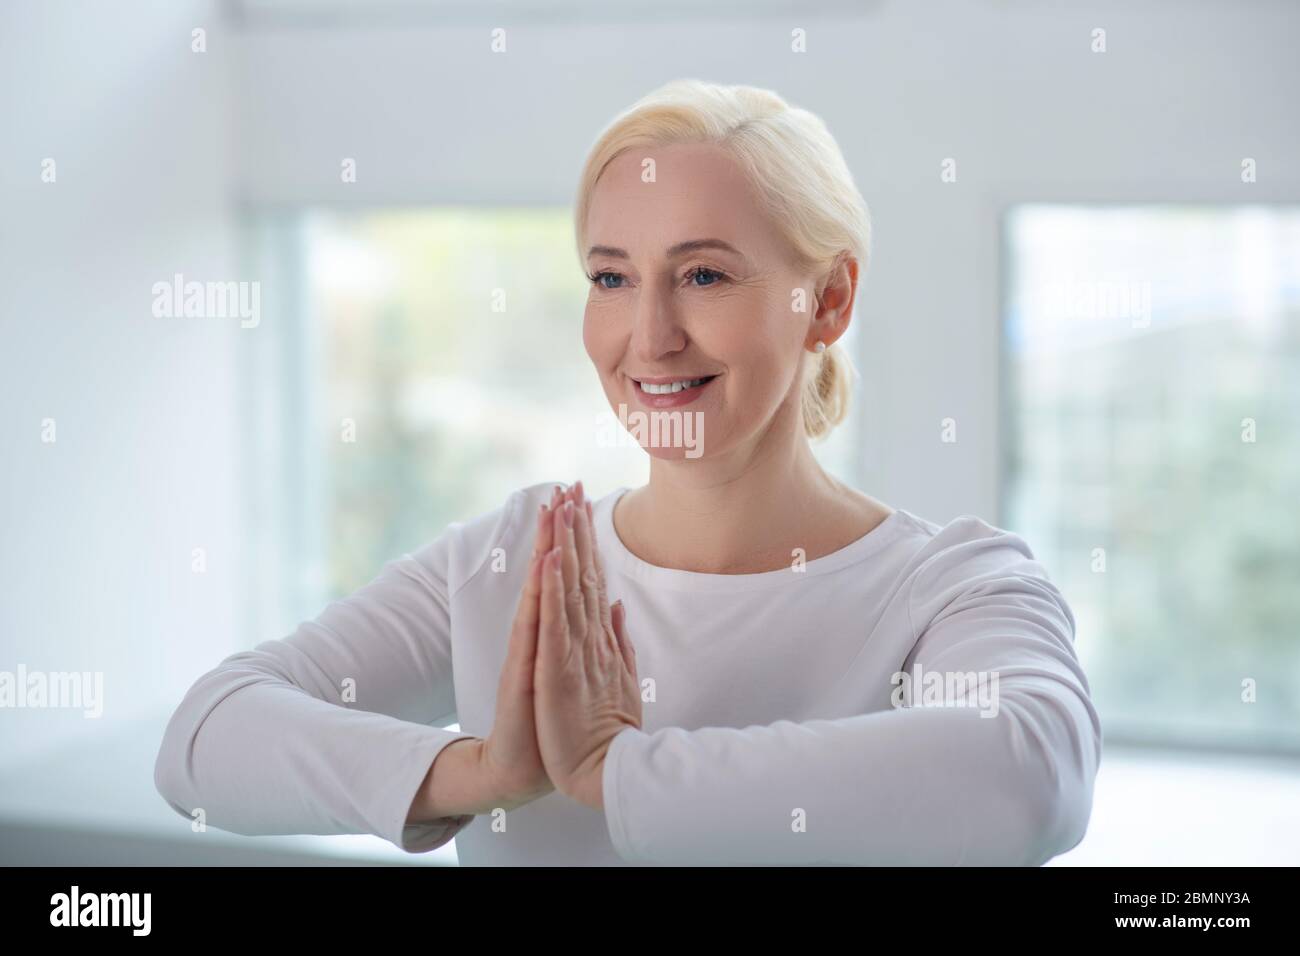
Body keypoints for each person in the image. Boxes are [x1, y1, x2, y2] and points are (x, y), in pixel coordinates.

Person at [154, 79, 1101, 866]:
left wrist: (617, 770)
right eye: (612, 278)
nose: (649, 338)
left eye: (704, 276)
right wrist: (481, 773)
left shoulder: (953, 592)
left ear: (830, 299)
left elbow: (1031, 777)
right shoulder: (517, 561)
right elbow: (205, 739)